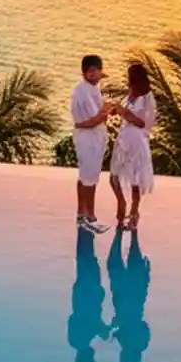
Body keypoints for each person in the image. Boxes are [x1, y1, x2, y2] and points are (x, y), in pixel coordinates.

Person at [108, 62, 156, 230]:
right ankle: (124, 205)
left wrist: (124, 113)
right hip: (124, 139)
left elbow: (142, 122)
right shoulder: (131, 94)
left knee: (134, 179)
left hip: (135, 140)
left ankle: (133, 212)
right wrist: (116, 110)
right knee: (115, 177)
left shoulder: (145, 97)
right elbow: (126, 112)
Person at [70, 54, 111, 231]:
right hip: (88, 139)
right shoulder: (83, 91)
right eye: (91, 71)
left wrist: (105, 111)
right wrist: (107, 112)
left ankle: (88, 212)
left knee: (89, 177)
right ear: (85, 72)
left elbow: (99, 114)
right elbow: (95, 119)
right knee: (87, 178)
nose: (95, 74)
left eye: (97, 70)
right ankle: (84, 215)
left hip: (93, 138)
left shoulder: (93, 88)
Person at [108, 228, 152, 362]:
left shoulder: (139, 343)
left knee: (119, 261)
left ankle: (124, 230)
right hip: (126, 298)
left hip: (132, 297)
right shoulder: (132, 343)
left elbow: (145, 326)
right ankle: (125, 230)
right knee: (118, 262)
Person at [67, 227, 111, 362]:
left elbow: (92, 322)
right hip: (81, 294)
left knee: (88, 261)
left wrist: (103, 330)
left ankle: (85, 228)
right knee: (85, 259)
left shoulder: (82, 338)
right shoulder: (75, 340)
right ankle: (84, 229)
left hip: (89, 293)